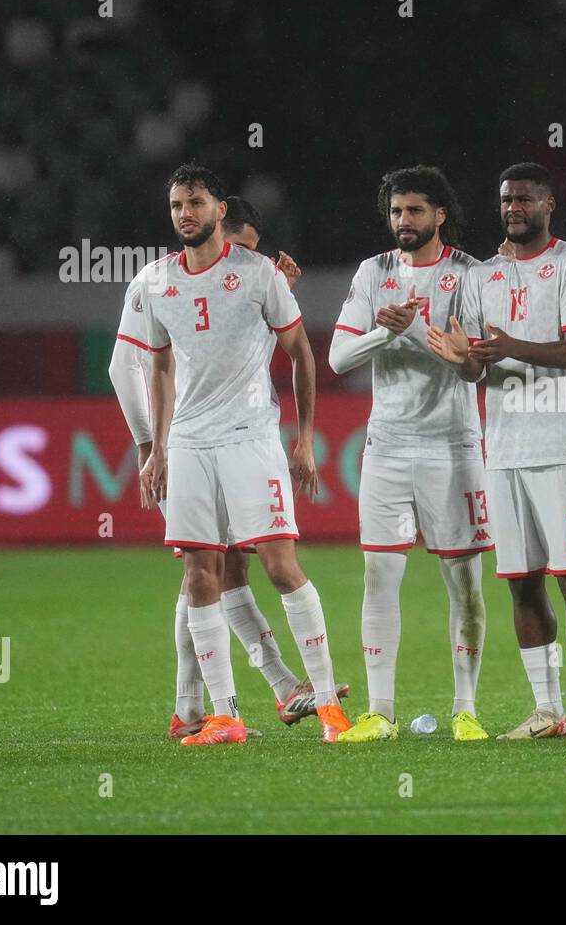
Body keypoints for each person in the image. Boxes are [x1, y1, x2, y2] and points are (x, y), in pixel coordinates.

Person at [108, 194, 339, 737]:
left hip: (225, 437)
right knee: (211, 573)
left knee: (209, 575)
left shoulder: (244, 278)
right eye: (239, 250)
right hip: (180, 443)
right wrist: (148, 444)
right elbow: (126, 369)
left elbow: (242, 346)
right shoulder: (156, 284)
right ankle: (264, 692)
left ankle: (198, 708)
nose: (237, 263)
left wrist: (276, 294)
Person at [427, 162, 566, 740]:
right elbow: (479, 368)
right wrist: (465, 359)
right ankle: (546, 710)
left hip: (561, 446)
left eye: (525, 200)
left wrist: (508, 346)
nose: (513, 208)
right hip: (502, 449)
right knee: (521, 582)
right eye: (506, 199)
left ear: (549, 204)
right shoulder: (482, 276)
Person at [328, 165, 491, 742]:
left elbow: (476, 364)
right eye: (396, 211)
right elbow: (339, 359)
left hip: (454, 447)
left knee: (465, 582)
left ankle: (465, 711)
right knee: (379, 576)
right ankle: (381, 713)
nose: (403, 221)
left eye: (415, 211)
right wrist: (385, 333)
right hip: (388, 448)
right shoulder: (373, 273)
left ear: (439, 215)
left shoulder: (471, 274)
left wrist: (413, 330)